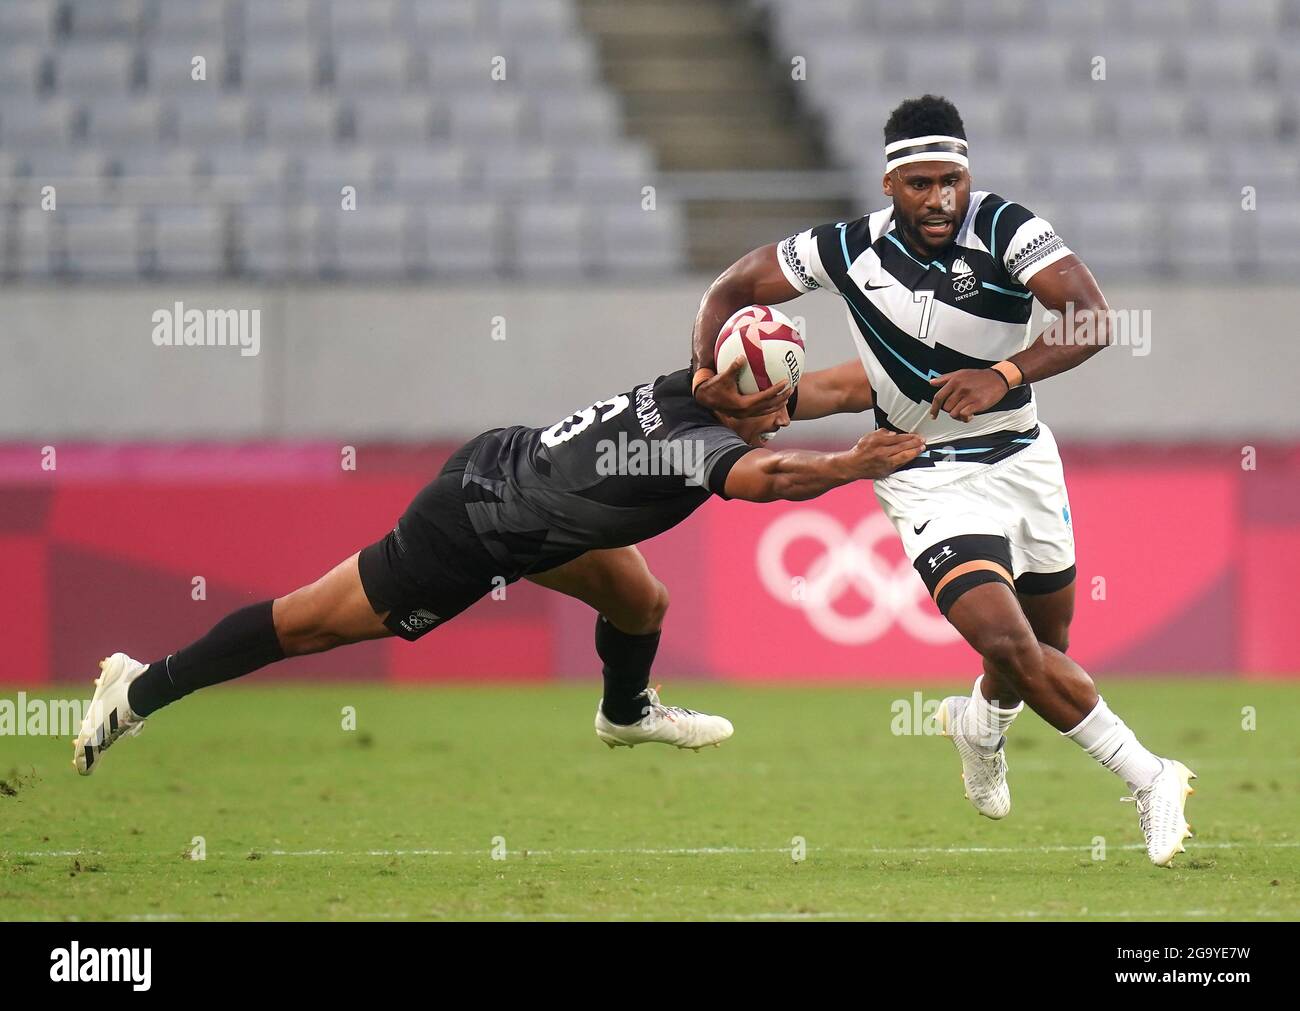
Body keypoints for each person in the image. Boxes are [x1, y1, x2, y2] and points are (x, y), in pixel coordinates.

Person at [690, 94, 1195, 867]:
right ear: (889, 184)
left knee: (1043, 648)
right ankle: (1151, 775)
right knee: (1007, 640)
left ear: (968, 176)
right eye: (920, 183)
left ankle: (978, 726)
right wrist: (704, 369)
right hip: (922, 470)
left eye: (950, 181)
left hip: (1022, 458)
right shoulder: (845, 249)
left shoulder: (1008, 228)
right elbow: (731, 287)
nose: (939, 199)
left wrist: (1005, 373)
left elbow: (1093, 317)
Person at [74, 367, 923, 775]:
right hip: (476, 527)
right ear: (735, 394)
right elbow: (770, 479)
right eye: (773, 404)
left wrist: (933, 369)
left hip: (522, 484)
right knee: (306, 626)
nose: (782, 413)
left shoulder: (702, 382)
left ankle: (625, 713)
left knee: (641, 599)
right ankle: (140, 687)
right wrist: (853, 464)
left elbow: (829, 387)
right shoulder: (693, 441)